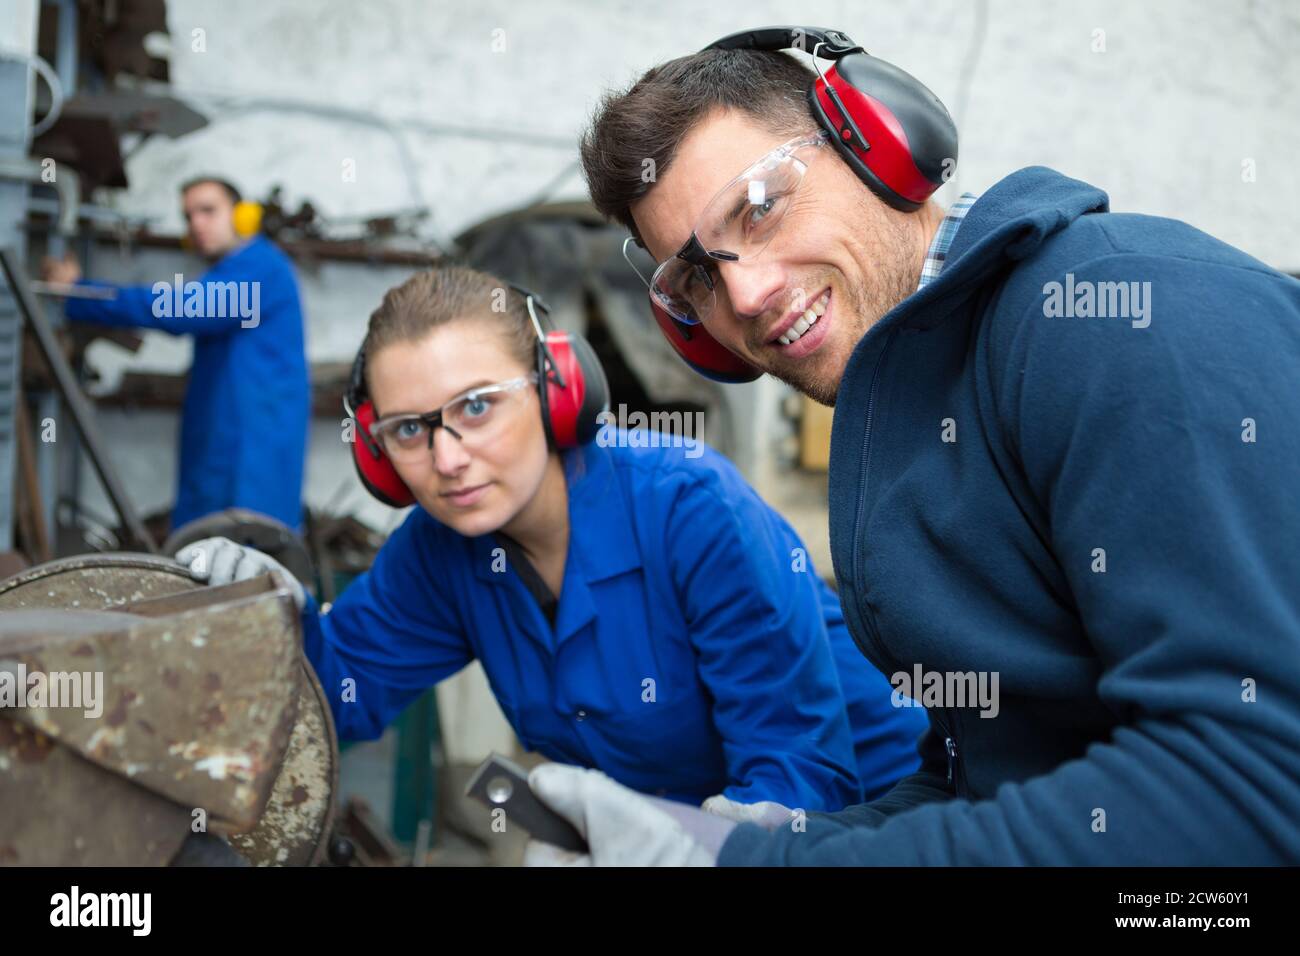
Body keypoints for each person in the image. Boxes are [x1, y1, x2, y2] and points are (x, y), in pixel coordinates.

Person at [520, 26, 1300, 865]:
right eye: (700, 276)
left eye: (760, 206)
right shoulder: (906, 412)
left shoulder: (1121, 316)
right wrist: (782, 838)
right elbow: (987, 778)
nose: (745, 293)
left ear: (877, 143)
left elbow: (1251, 785)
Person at [176, 264, 928, 813]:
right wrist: (268, 620)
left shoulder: (688, 508)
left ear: (556, 389)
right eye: (408, 429)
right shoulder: (439, 553)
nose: (446, 459)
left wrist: (705, 848)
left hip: (885, 823)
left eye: (475, 408)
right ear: (376, 453)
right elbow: (335, 695)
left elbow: (799, 776)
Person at [43, 177, 309, 531]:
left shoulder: (263, 269)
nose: (197, 224)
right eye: (188, 216)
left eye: (208, 211)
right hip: (222, 446)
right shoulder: (230, 273)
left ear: (244, 216)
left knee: (251, 560)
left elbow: (184, 308)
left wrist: (82, 293)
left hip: (250, 456)